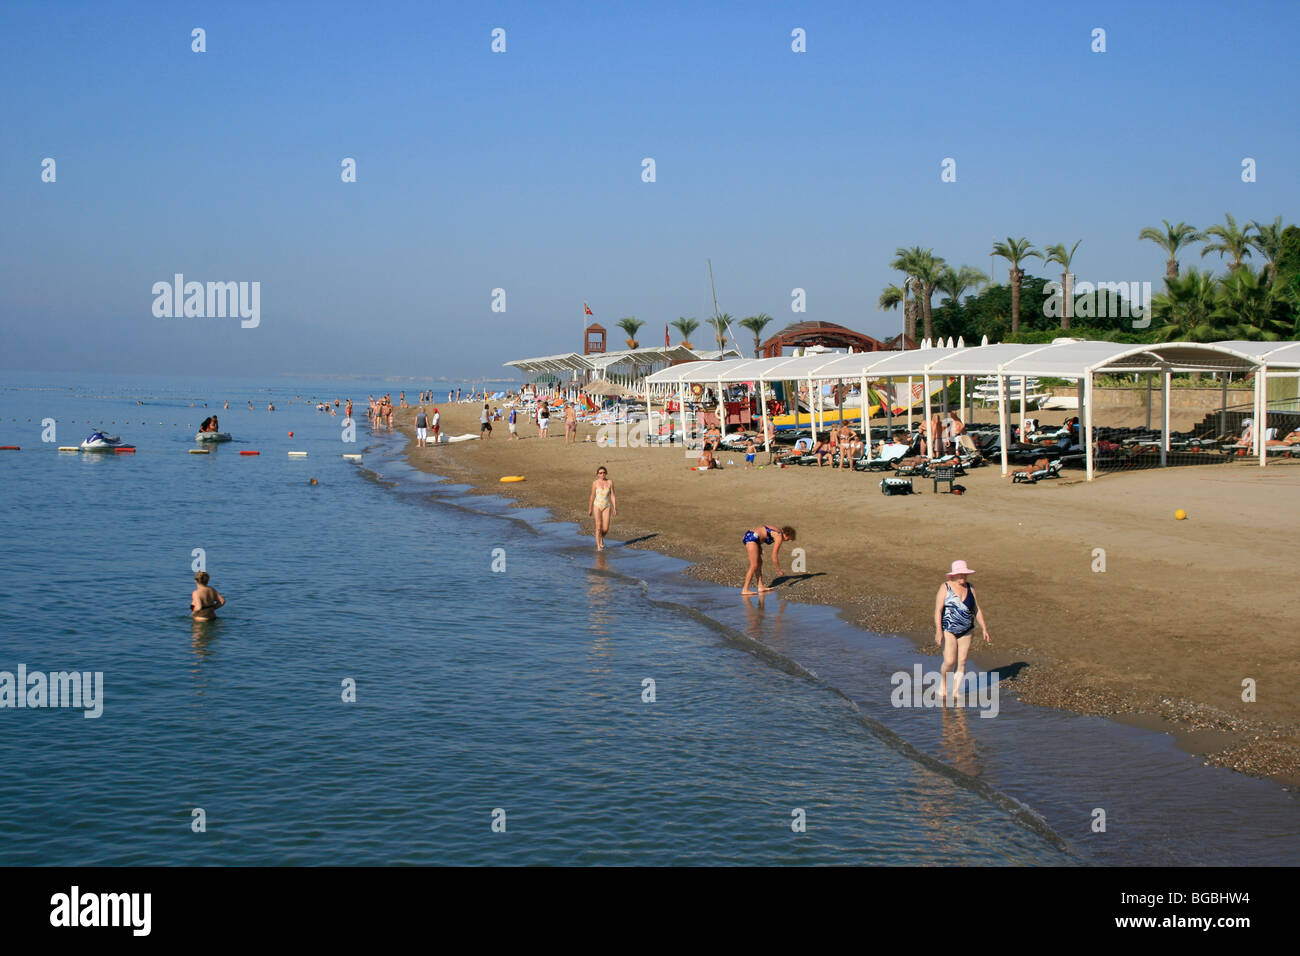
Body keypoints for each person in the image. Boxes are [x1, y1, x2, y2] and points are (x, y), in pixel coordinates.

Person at [933, 560, 992, 703]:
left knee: (962, 661)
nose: (963, 577)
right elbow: (938, 610)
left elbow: (976, 609)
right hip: (949, 629)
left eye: (965, 574)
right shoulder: (945, 587)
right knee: (949, 661)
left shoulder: (970, 588)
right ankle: (943, 686)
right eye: (960, 574)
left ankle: (955, 691)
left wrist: (984, 628)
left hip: (967, 629)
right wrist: (938, 631)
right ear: (952, 575)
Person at [741, 524, 795, 595]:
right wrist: (778, 570)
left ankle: (760, 586)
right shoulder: (779, 536)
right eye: (789, 539)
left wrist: (759, 547)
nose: (787, 540)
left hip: (752, 536)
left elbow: (761, 531)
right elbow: (774, 555)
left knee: (759, 562)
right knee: (753, 565)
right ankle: (745, 589)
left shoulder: (777, 530)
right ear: (787, 535)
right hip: (752, 538)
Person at [587, 466, 617, 550]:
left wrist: (615, 508)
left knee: (606, 528)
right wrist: (590, 509)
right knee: (598, 526)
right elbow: (592, 496)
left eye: (604, 472)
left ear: (606, 473)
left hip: (606, 506)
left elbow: (612, 495)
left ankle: (601, 538)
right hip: (597, 505)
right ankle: (598, 546)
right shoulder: (595, 483)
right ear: (597, 474)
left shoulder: (610, 482)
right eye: (600, 473)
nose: (602, 474)